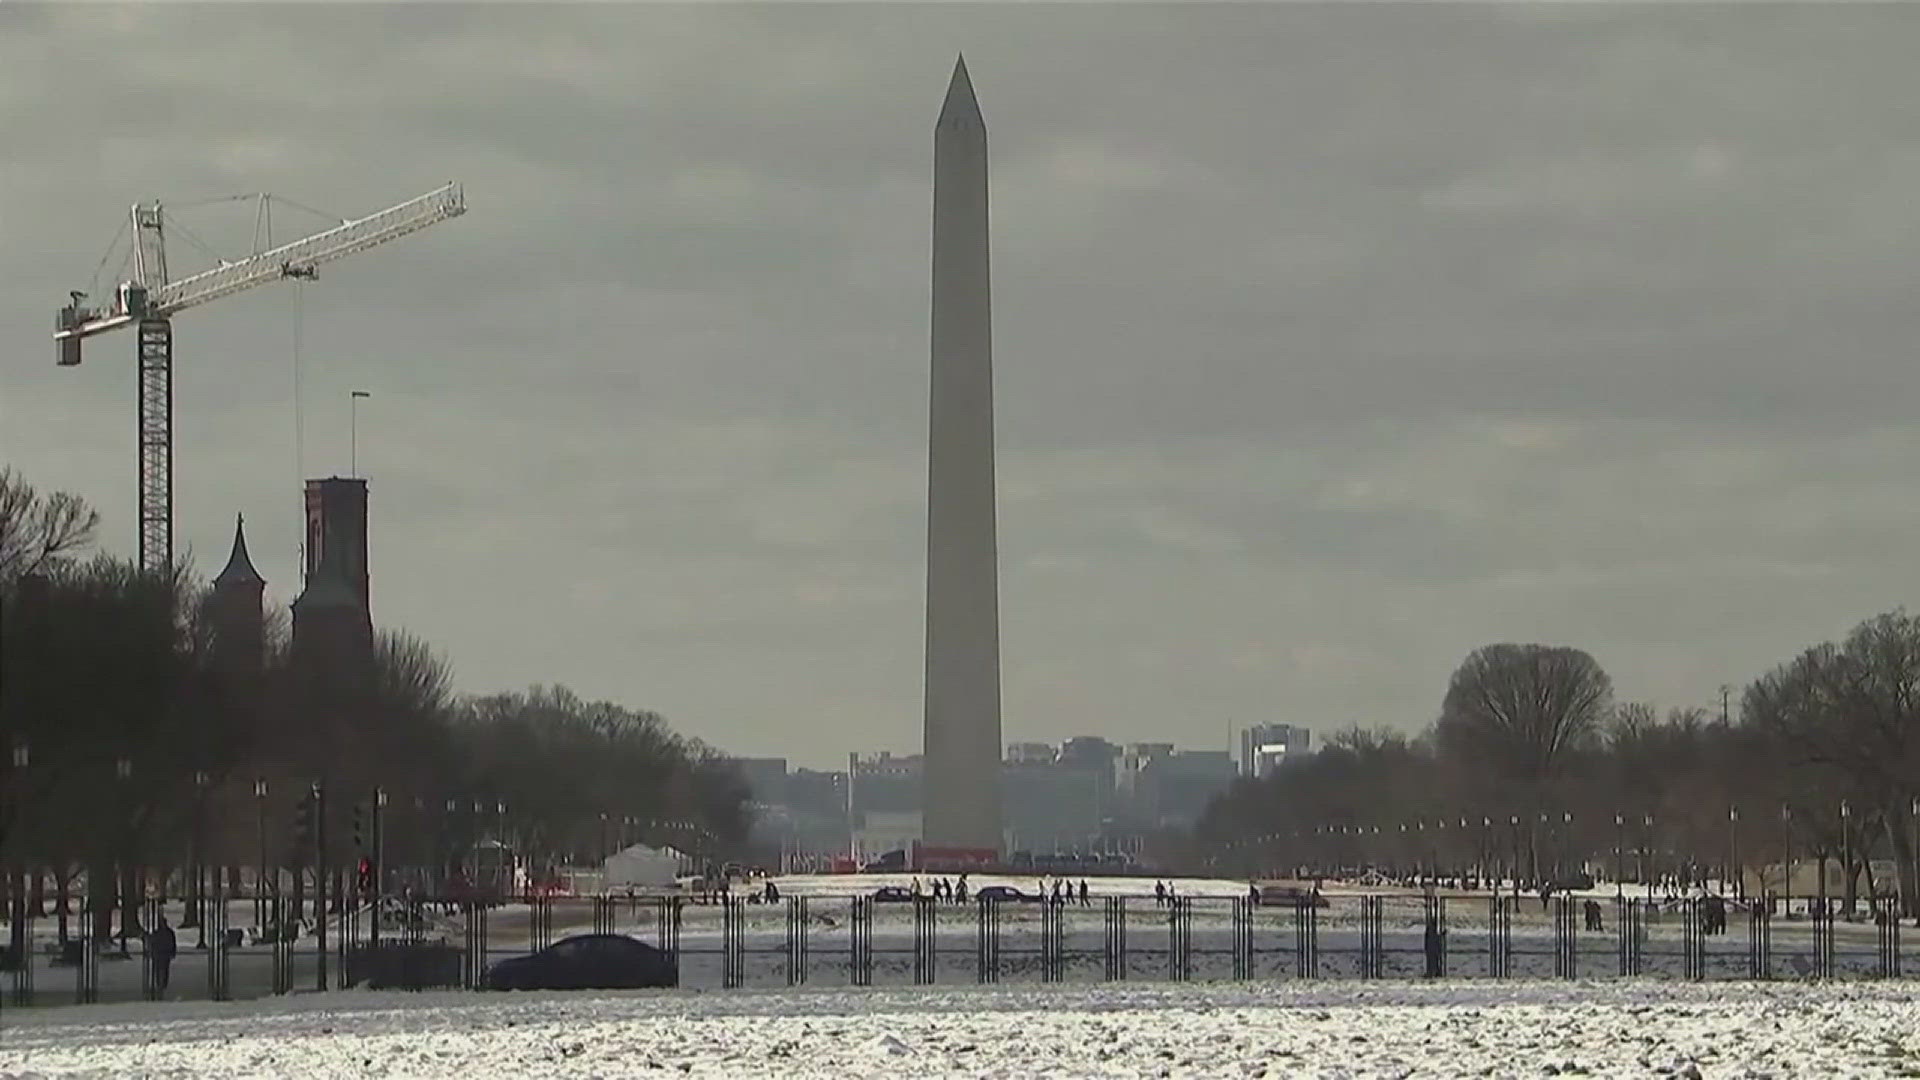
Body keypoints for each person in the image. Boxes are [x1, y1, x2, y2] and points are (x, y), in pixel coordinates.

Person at [148, 914, 178, 993]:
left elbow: (173, 942)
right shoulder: (163, 932)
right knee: (160, 969)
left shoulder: (165, 932)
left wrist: (173, 951)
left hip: (164, 952)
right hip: (160, 952)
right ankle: (160, 983)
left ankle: (162, 983)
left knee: (163, 968)